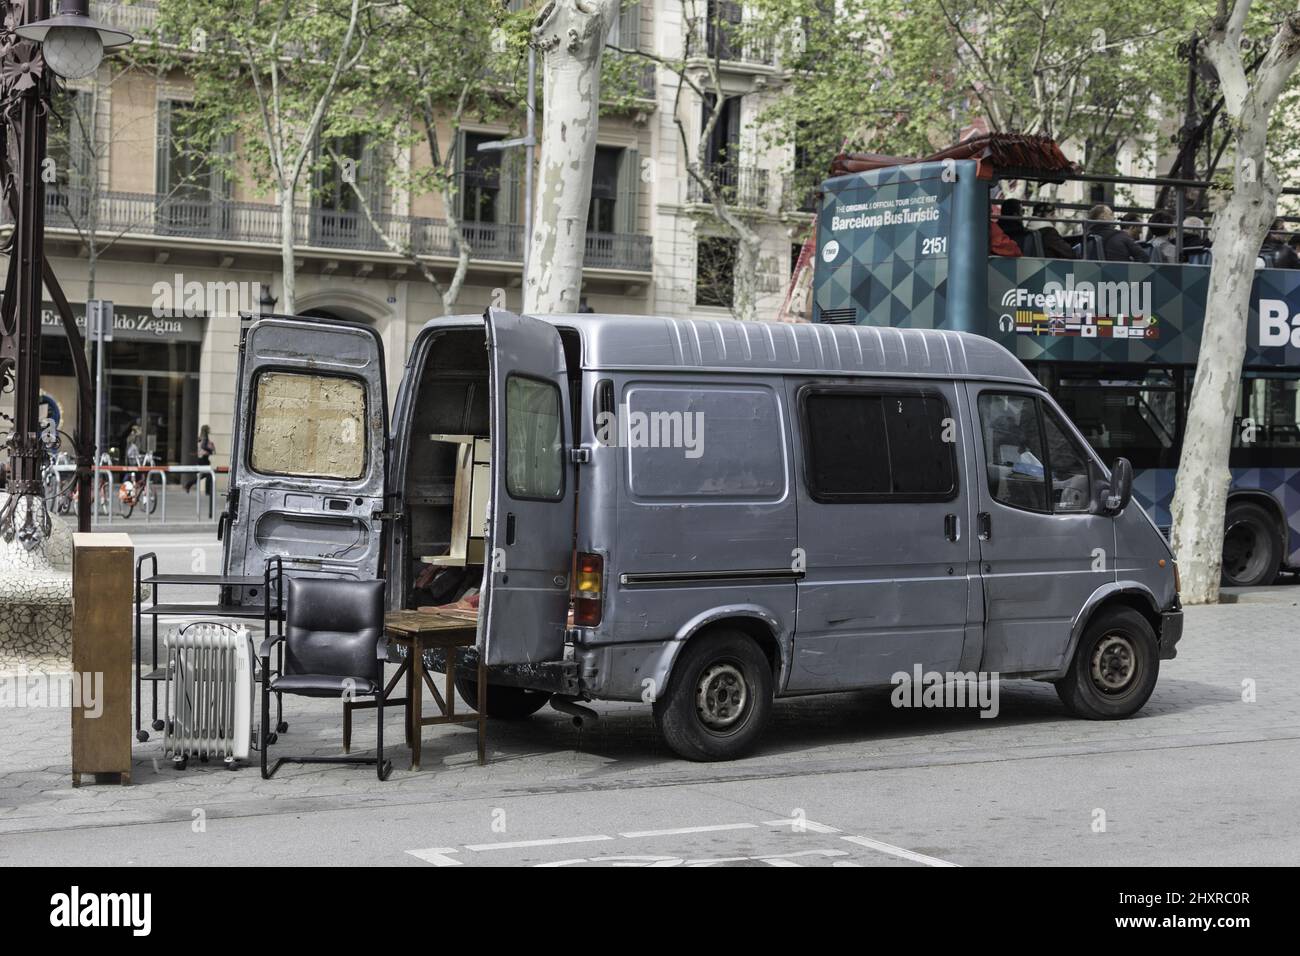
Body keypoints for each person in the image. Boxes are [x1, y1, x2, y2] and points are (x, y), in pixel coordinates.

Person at [185, 424, 215, 495]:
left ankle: (189, 484)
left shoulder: (201, 437)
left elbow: (200, 446)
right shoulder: (205, 437)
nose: (210, 430)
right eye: (208, 429)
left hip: (202, 459)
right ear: (206, 430)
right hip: (203, 459)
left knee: (205, 475)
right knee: (208, 475)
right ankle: (208, 492)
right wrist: (210, 450)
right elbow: (203, 446)